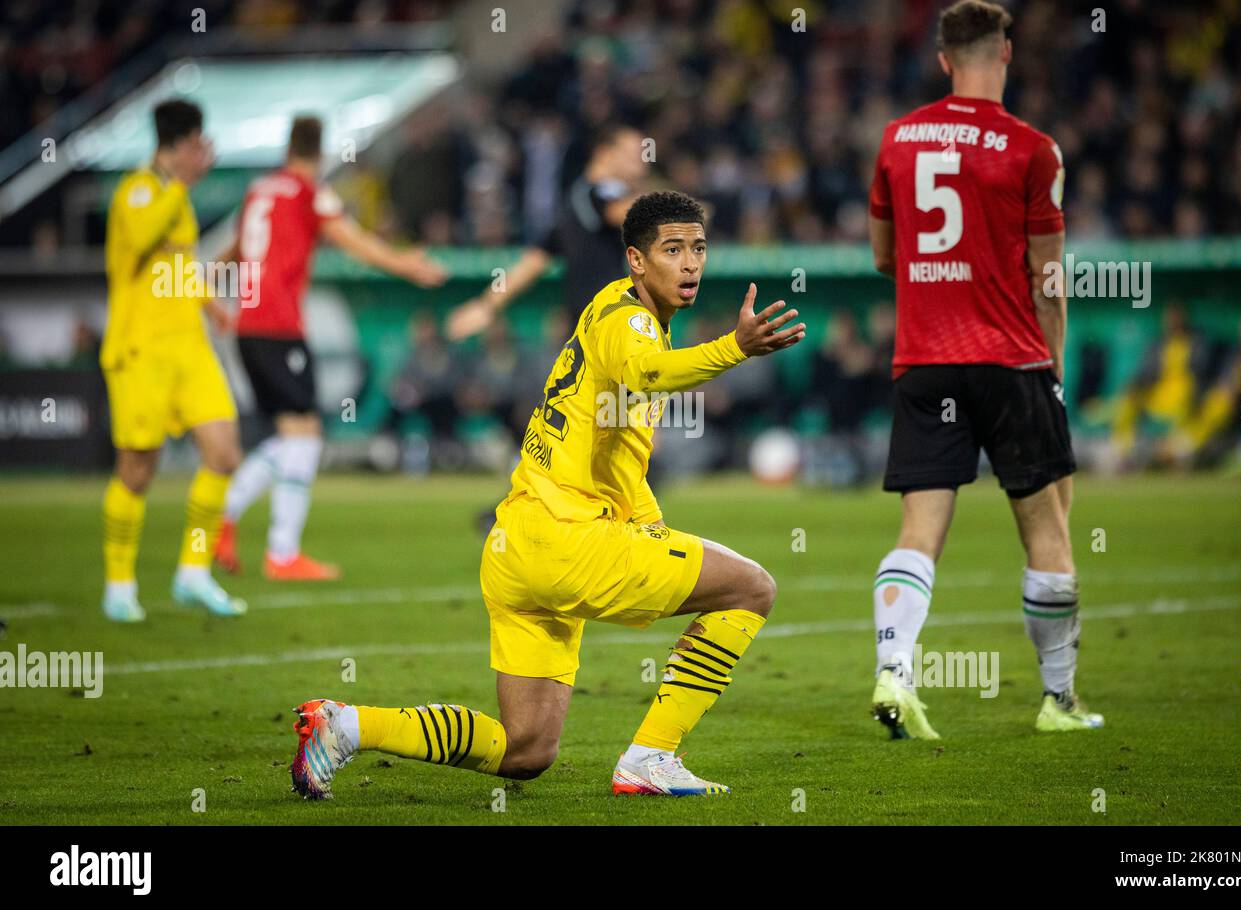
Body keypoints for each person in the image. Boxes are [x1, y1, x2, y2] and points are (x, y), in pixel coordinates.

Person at [288, 191, 806, 799]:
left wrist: (651, 523)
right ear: (637, 260)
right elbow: (649, 373)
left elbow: (619, 457)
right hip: (569, 541)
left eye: (698, 248)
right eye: (672, 250)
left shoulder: (607, 307)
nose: (690, 263)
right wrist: (734, 349)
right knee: (751, 588)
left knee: (526, 748)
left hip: (516, 547)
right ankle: (652, 757)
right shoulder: (631, 324)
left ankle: (345, 726)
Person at [866, 0, 1103, 737]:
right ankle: (1058, 700)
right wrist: (1053, 368)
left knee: (918, 528)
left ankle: (894, 673)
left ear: (942, 60)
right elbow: (1048, 278)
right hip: (1010, 358)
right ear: (1005, 54)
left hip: (925, 361)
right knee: (1048, 526)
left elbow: (884, 256)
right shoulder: (1033, 148)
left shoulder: (897, 139)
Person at [214, 115, 446, 581]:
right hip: (280, 329)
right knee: (303, 439)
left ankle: (231, 526)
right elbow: (354, 243)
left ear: (287, 148)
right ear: (318, 155)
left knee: (292, 437)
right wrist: (406, 265)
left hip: (247, 328)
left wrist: (215, 300)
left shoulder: (260, 190)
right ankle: (276, 550)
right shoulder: (308, 192)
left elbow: (233, 252)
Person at [100, 98, 246, 622]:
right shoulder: (139, 190)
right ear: (179, 146)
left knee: (225, 454)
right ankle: (119, 584)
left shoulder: (174, 197)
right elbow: (140, 240)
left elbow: (178, 265)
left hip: (189, 347)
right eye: (198, 146)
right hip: (142, 350)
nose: (203, 155)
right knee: (137, 470)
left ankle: (193, 571)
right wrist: (181, 183)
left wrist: (211, 306)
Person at [443, 124, 649, 341]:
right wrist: (486, 306)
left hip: (598, 330)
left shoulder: (571, 206)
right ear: (604, 153)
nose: (642, 163)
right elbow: (631, 215)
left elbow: (534, 261)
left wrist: (487, 305)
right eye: (632, 155)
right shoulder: (593, 195)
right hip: (609, 326)